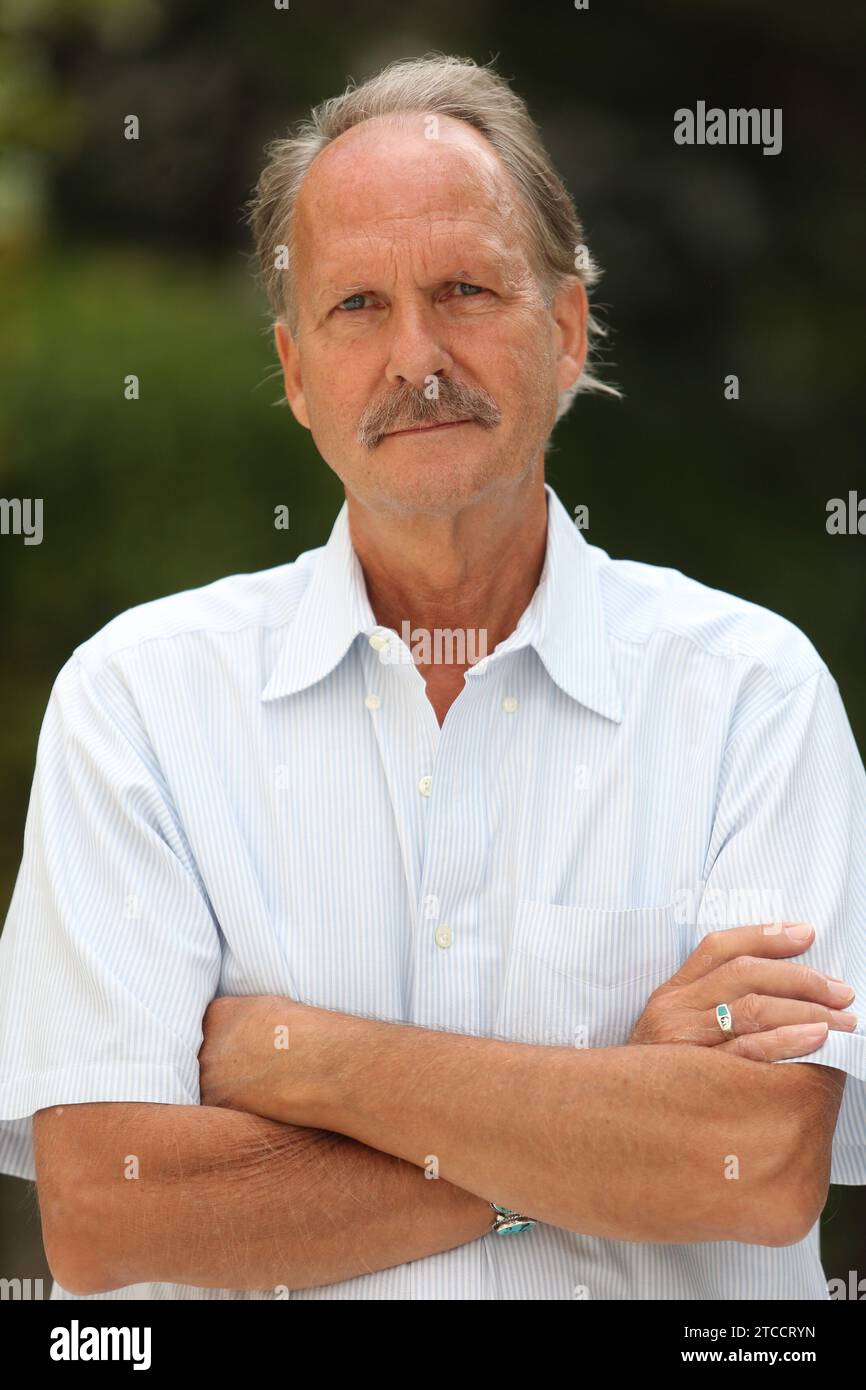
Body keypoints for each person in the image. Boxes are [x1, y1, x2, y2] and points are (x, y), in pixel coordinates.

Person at [0, 54, 863, 1301]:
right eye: (357, 305)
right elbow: (104, 1211)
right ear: (296, 373)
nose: (418, 356)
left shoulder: (751, 697)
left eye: (464, 288)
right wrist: (605, 1111)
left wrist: (311, 1064)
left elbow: (757, 1162)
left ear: (563, 329)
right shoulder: (137, 706)